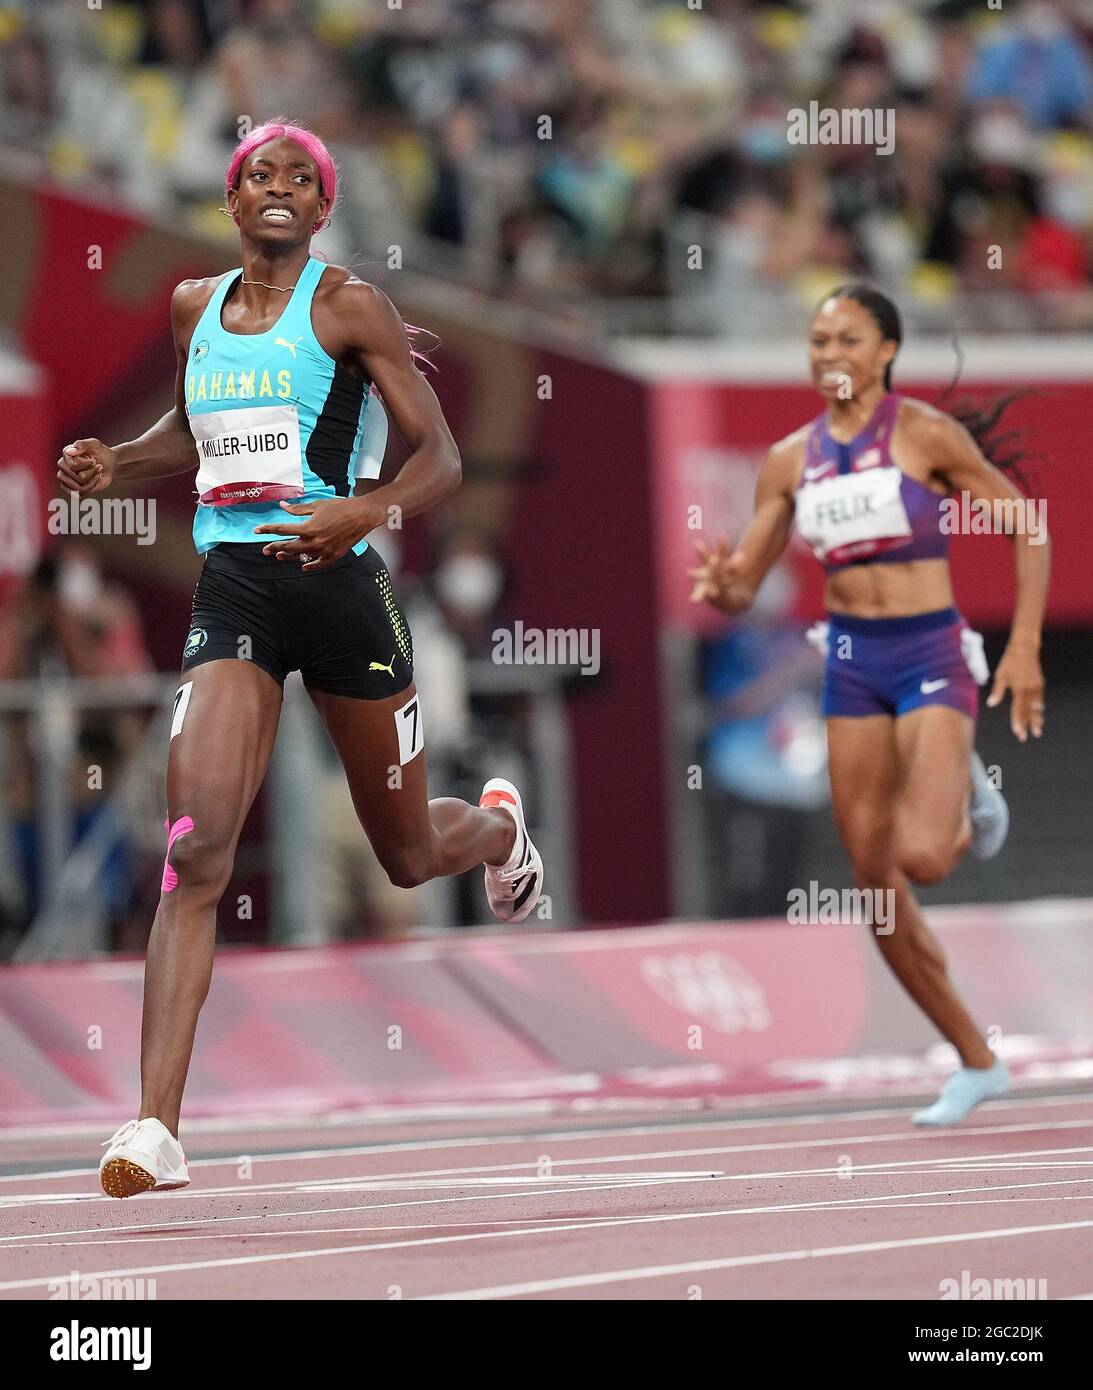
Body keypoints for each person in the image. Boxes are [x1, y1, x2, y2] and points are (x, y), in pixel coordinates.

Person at [56, 119, 543, 1198]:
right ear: (231, 204)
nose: (276, 188)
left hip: (342, 592)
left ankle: (501, 827)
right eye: (256, 175)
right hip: (234, 590)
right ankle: (155, 1128)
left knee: (408, 855)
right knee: (195, 849)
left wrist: (358, 512)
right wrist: (118, 460)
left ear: (322, 209)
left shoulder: (346, 305)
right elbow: (194, 428)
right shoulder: (194, 306)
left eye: (298, 178)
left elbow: (443, 458)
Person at [690, 283, 1049, 1128]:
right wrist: (725, 587)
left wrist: (1026, 648)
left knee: (924, 859)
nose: (829, 357)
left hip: (929, 652)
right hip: (850, 664)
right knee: (875, 885)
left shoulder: (924, 434)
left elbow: (1025, 525)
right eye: (818, 343)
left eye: (847, 340)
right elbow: (745, 582)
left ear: (884, 352)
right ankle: (974, 1058)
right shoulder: (789, 460)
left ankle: (965, 786)